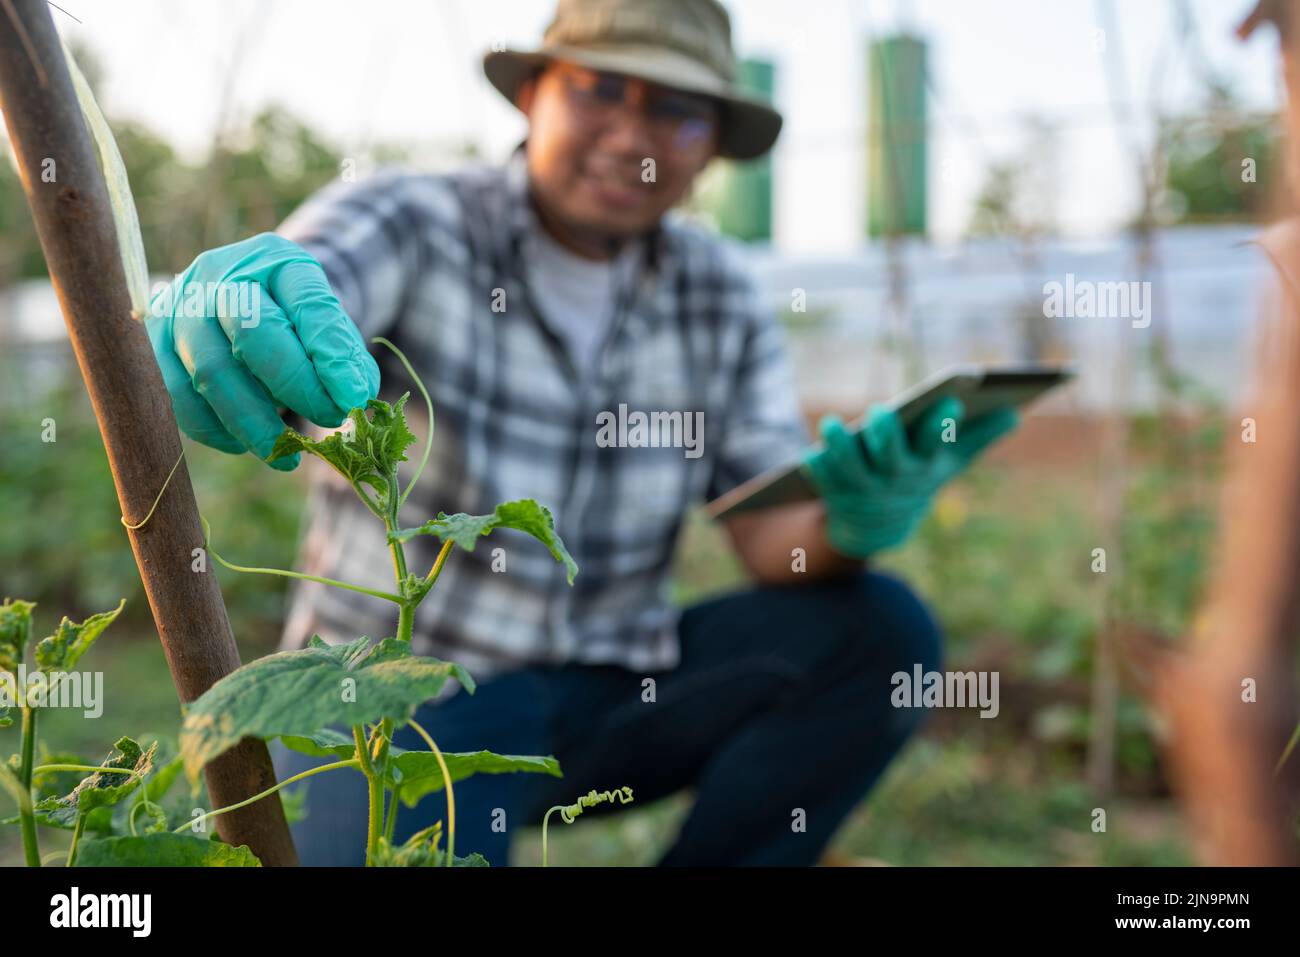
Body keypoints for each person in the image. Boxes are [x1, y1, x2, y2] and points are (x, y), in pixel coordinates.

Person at [146, 0, 1018, 866]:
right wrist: (240, 309)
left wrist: (848, 518)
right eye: (601, 89)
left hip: (611, 696)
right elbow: (318, 278)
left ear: (711, 144)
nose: (632, 136)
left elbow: (769, 539)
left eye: (676, 111)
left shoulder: (719, 294)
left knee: (880, 630)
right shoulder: (417, 221)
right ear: (533, 96)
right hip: (396, 696)